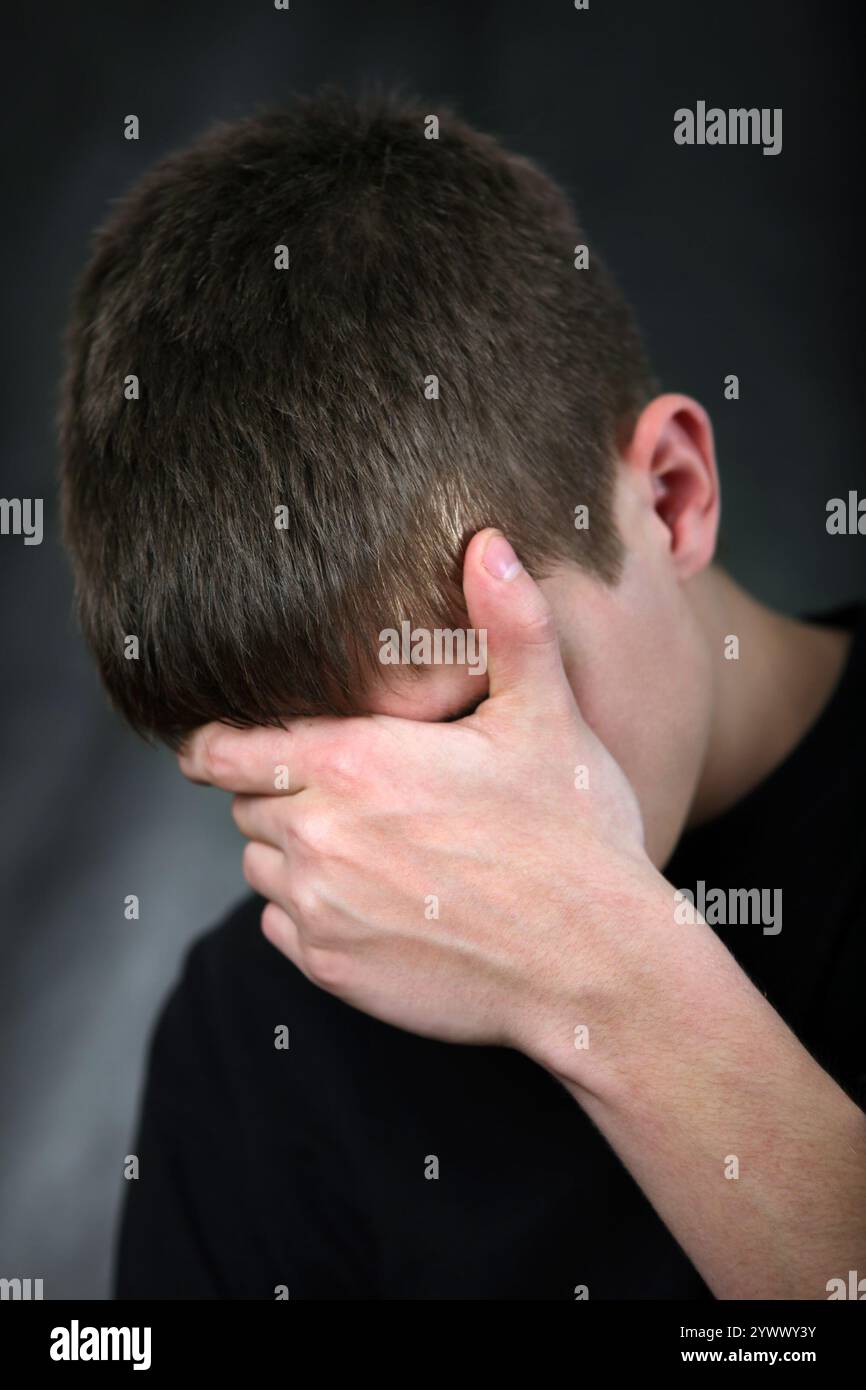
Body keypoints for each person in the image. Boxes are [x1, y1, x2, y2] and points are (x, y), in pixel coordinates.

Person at [59, 90, 866, 1300]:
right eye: (305, 779)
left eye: (461, 721)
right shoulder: (249, 1041)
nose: (410, 836)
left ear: (670, 495)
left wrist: (609, 977)